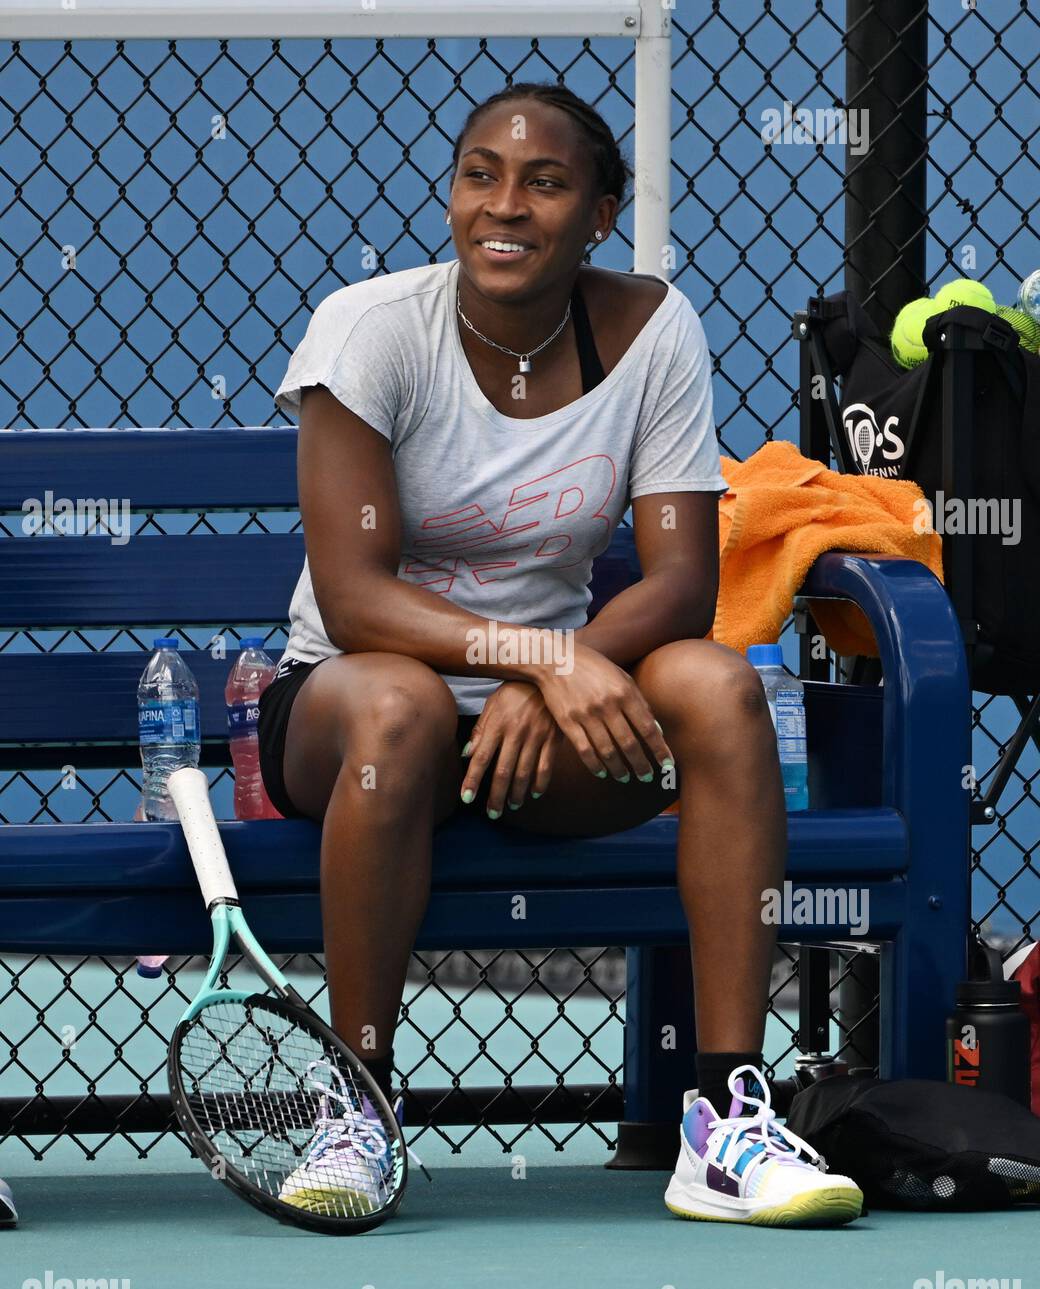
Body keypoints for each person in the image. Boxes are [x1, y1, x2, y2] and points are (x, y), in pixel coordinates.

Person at [258, 81, 863, 1227]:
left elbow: (682, 582)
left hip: (544, 732)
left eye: (543, 182)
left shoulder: (654, 329)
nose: (504, 205)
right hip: (356, 717)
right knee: (401, 708)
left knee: (717, 687)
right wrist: (543, 655)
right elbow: (351, 598)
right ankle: (357, 1108)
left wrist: (555, 671)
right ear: (450, 196)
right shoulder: (370, 328)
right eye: (479, 174)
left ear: (597, 214)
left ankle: (724, 1117)